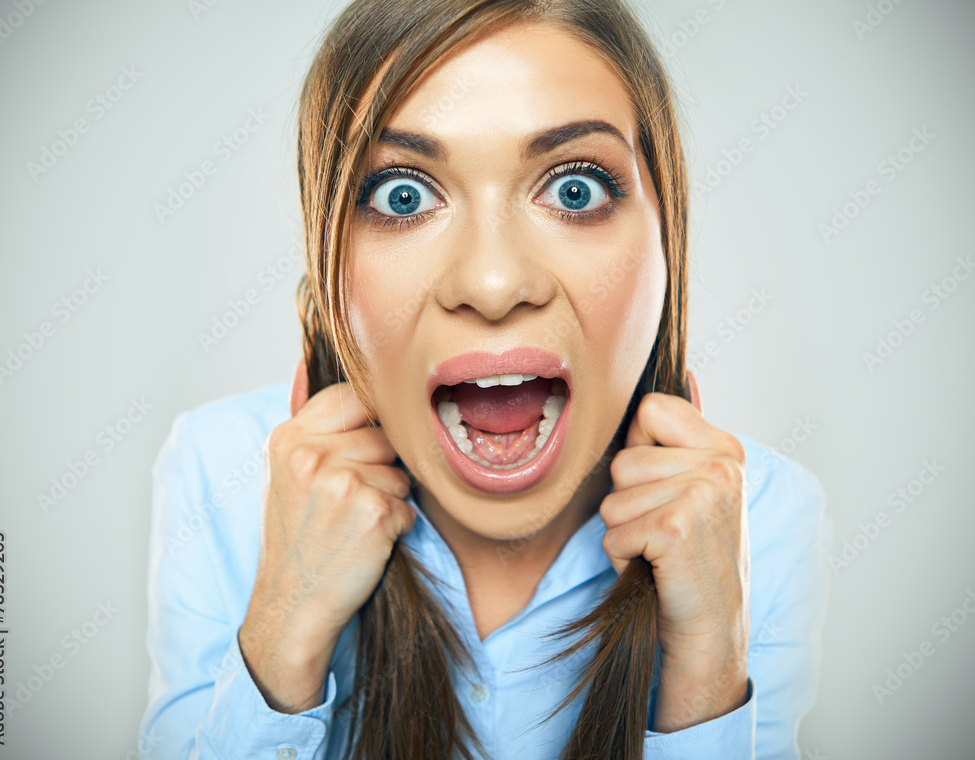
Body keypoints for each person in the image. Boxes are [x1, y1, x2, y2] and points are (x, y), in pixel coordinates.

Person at [139, 0, 833, 757]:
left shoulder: (767, 519)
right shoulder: (220, 472)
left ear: (669, 242)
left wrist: (707, 666)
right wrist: (284, 626)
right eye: (402, 195)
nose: (495, 283)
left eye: (576, 189)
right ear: (326, 249)